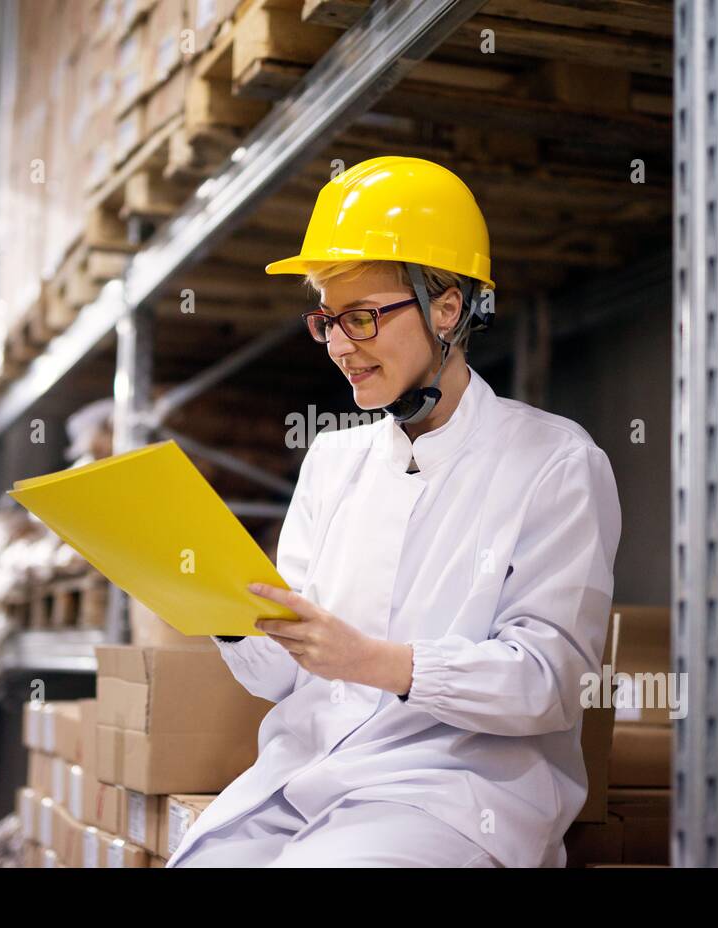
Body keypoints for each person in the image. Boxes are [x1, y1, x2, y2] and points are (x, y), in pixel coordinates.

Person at [167, 156, 621, 868]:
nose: (341, 346)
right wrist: (223, 612)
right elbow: (282, 677)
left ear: (447, 307)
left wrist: (379, 662)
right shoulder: (332, 461)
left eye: (363, 316)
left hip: (452, 795)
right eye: (327, 319)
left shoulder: (556, 463)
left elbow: (550, 682)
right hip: (304, 777)